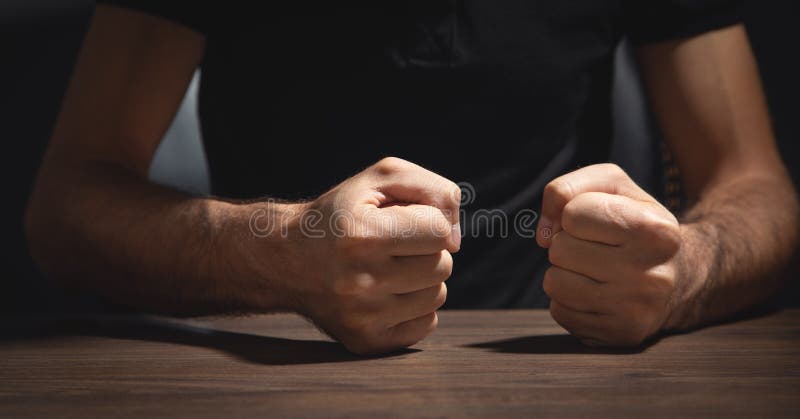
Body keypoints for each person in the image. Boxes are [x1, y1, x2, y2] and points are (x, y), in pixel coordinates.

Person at [25, 1, 799, 355]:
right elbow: (67, 206)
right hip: (277, 371)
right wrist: (278, 251)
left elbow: (756, 185)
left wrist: (683, 267)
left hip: (553, 365)